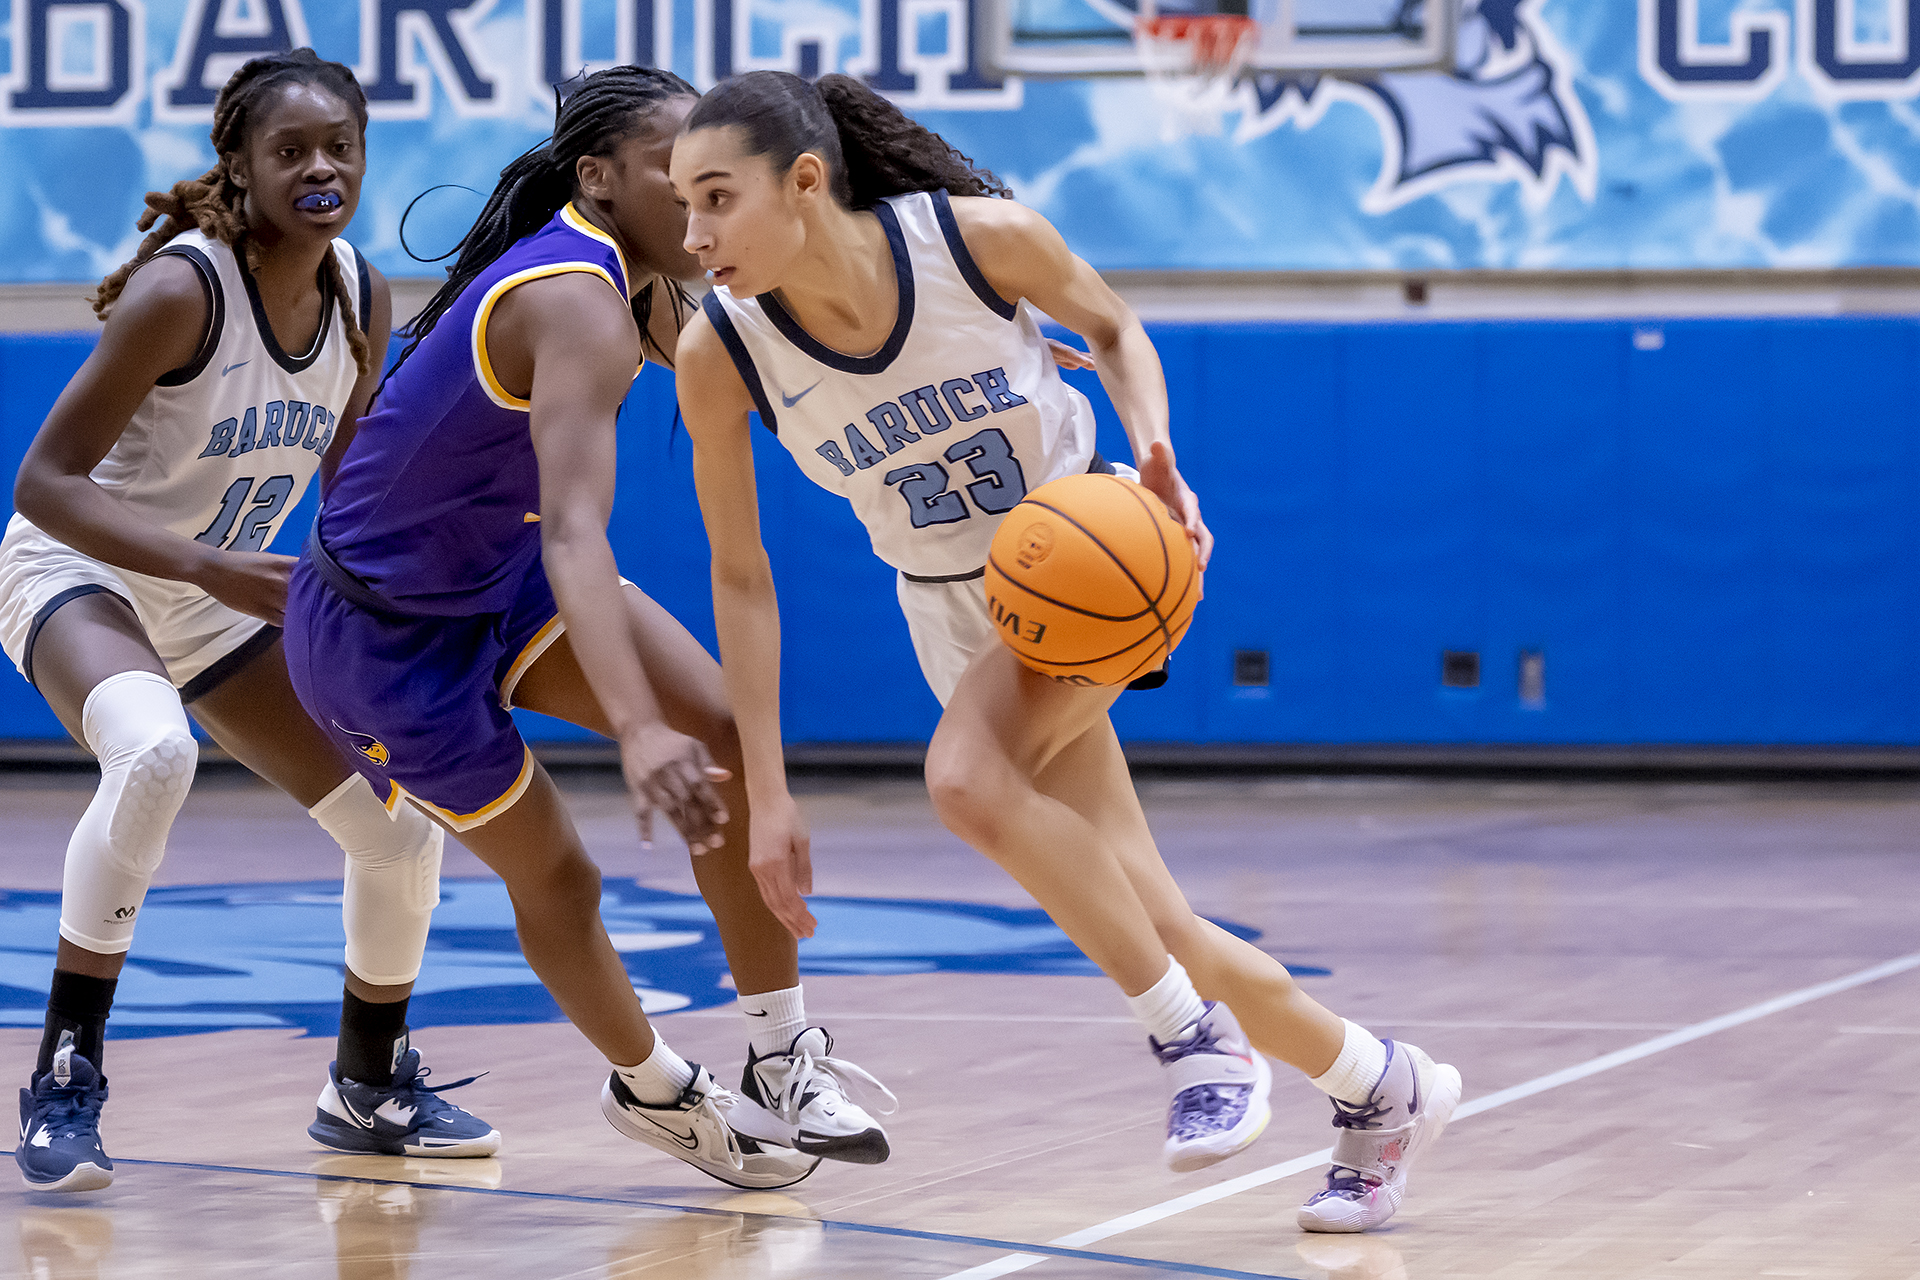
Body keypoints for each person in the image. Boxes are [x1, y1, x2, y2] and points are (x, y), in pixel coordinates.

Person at [669, 70, 1463, 1233]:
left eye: (716, 198)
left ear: (802, 181)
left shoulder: (976, 243)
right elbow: (740, 579)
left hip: (1085, 562)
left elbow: (1114, 327)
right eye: (682, 205)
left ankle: (1193, 1041)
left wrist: (1156, 453)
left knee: (964, 780)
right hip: (947, 612)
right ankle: (1379, 1085)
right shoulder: (719, 352)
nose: (693, 237)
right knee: (1161, 922)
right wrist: (772, 791)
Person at [280, 65, 894, 1191]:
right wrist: (631, 727)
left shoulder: (646, 274)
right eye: (675, 176)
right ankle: (655, 1088)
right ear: (600, 178)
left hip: (492, 578)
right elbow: (574, 533)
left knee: (723, 733)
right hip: (382, 640)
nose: (700, 205)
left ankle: (780, 1057)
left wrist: (963, 343)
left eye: (715, 184)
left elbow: (786, 312)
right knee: (562, 876)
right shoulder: (579, 302)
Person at [3, 50, 498, 1193]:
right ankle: (65, 1078)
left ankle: (366, 1083)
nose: (320, 167)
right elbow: (43, 479)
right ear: (242, 164)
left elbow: (353, 480)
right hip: (84, 571)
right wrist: (212, 569)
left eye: (341, 148)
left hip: (213, 593)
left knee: (399, 818)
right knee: (153, 749)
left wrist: (412, 603)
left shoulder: (360, 293)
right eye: (291, 150)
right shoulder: (184, 288)